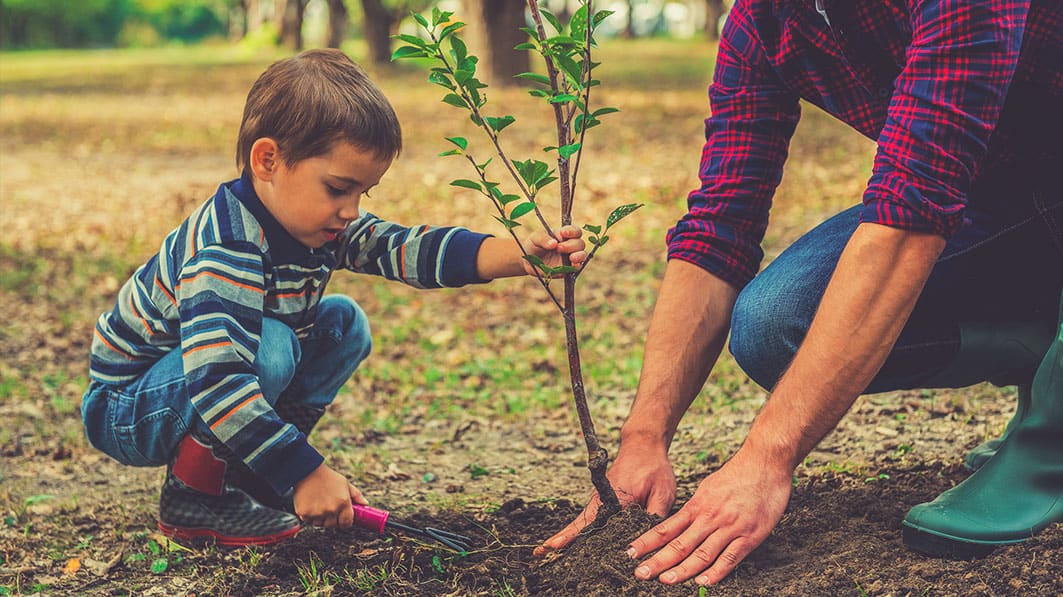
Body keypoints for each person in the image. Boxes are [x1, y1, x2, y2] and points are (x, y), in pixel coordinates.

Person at [538, 0, 1062, 586]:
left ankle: (1054, 441)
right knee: (777, 323)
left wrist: (767, 458)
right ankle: (1046, 350)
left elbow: (912, 215)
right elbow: (720, 223)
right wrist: (644, 437)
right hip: (1007, 186)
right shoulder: (764, 19)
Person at [80, 48, 587, 546]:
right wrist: (305, 473)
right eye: (338, 188)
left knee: (342, 323)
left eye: (363, 193)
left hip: (194, 385)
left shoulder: (316, 223)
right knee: (271, 345)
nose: (351, 210)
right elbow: (217, 381)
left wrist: (518, 255)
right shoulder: (226, 248)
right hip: (128, 406)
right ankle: (196, 497)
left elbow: (402, 247)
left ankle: (254, 476)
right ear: (268, 159)